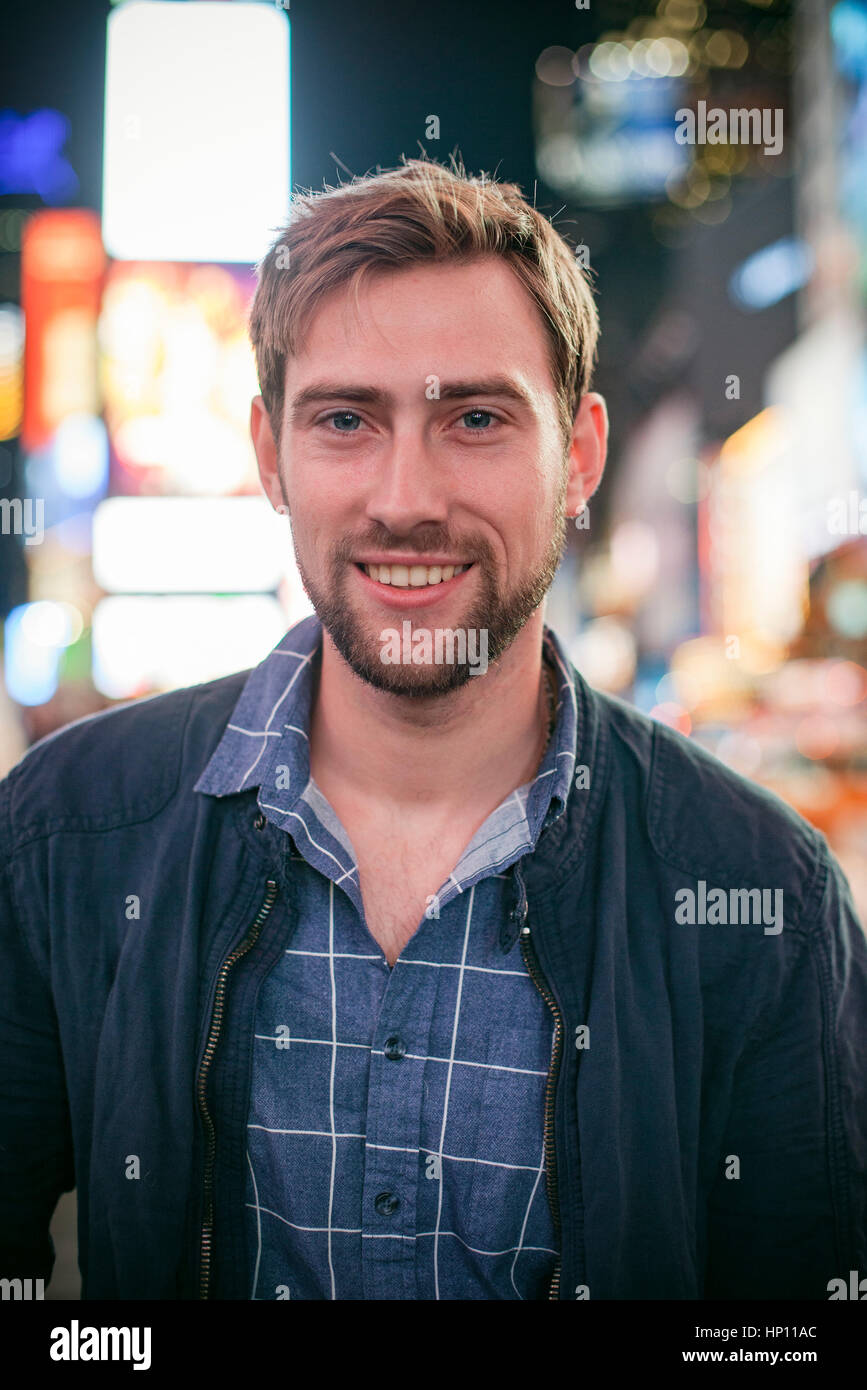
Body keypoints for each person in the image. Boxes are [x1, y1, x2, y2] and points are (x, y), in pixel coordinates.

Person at [1, 159, 865, 1301]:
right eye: (346, 419)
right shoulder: (65, 833)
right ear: (270, 455)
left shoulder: (759, 891)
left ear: (579, 455)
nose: (406, 498)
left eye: (476, 418)